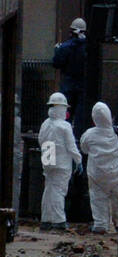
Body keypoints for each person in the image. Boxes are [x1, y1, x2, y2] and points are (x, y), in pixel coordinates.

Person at [79, 101, 118, 235]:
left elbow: (84, 149)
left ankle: (101, 224)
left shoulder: (89, 134)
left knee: (98, 199)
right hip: (116, 173)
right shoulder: (117, 132)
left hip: (96, 174)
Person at [39, 92, 81, 231]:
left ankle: (46, 219)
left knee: (49, 189)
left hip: (48, 158)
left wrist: (48, 155)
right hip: (61, 162)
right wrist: (78, 160)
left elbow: (41, 140)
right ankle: (59, 220)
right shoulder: (64, 126)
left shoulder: (45, 124)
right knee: (58, 190)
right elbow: (71, 146)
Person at [52, 17, 88, 135]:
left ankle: (64, 134)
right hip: (83, 84)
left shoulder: (65, 47)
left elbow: (56, 63)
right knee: (80, 114)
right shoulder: (88, 48)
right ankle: (78, 136)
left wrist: (57, 51)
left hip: (68, 83)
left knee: (65, 111)